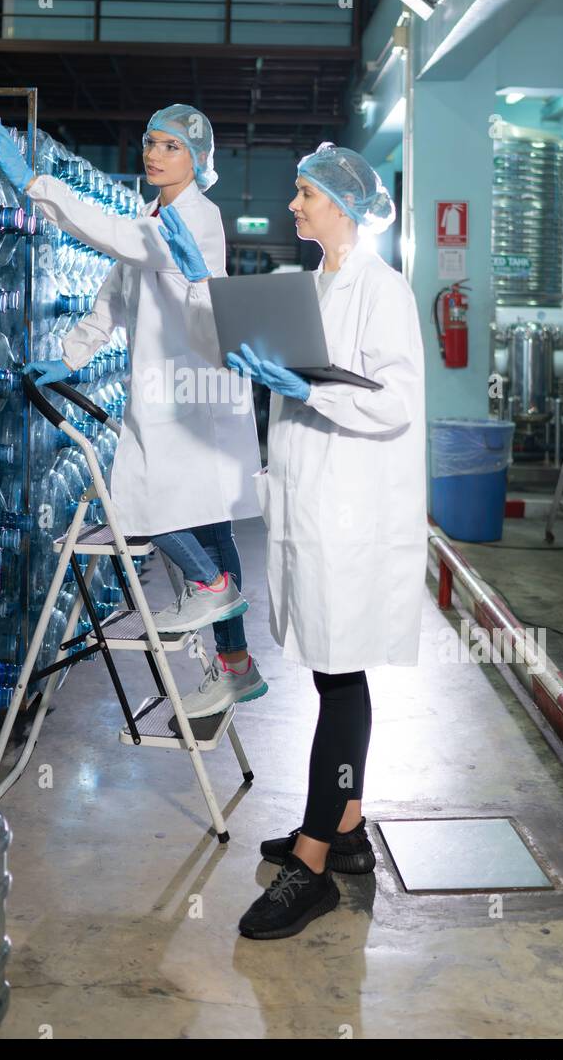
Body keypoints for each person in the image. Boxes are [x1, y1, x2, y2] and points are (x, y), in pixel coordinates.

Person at [161, 143, 427, 939]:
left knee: (341, 677)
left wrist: (305, 385)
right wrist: (195, 282)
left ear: (342, 206)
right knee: (330, 670)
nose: (293, 206)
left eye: (305, 194)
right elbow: (227, 337)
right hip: (313, 508)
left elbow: (397, 402)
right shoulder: (308, 286)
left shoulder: (383, 292)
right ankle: (344, 828)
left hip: (354, 517)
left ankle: (310, 866)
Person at [0, 105, 268, 717]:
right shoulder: (155, 214)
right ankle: (237, 665)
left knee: (143, 501)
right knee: (209, 518)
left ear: (197, 159)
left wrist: (35, 184)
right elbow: (114, 294)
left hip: (190, 391)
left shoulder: (197, 218)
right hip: (172, 393)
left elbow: (111, 238)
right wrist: (71, 354)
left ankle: (208, 586)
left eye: (169, 146)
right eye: (149, 142)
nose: (154, 153)